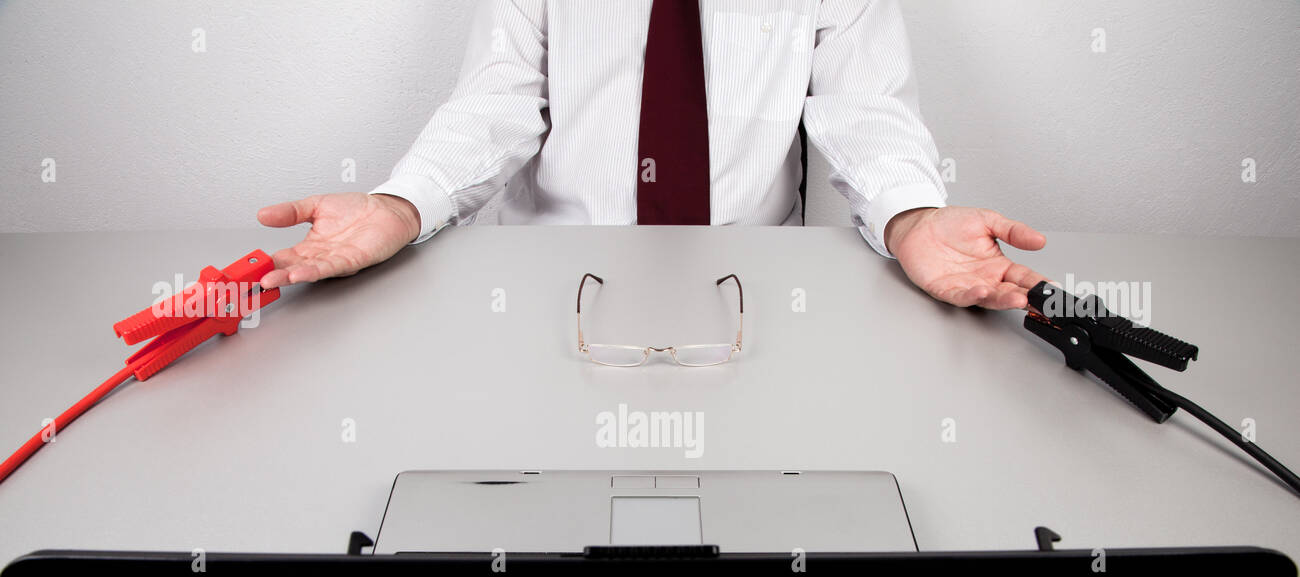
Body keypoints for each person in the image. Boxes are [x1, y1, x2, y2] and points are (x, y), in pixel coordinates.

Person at [257, 0, 1047, 311]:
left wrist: (913, 219)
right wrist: (399, 204)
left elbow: (866, 110)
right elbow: (493, 104)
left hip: (756, 298)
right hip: (552, 295)